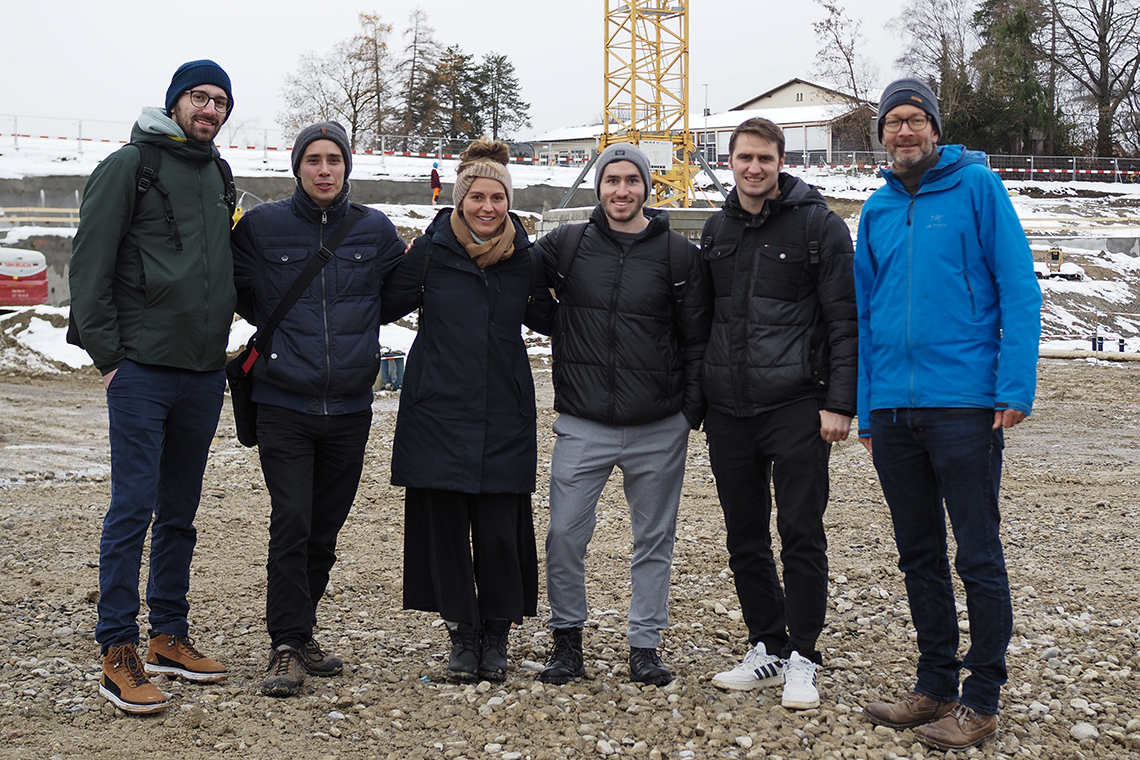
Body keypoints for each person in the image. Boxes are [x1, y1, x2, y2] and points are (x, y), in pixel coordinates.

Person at [856, 79, 1041, 751]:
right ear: (882, 134)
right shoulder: (875, 211)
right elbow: (867, 314)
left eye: (915, 120)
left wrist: (1013, 386)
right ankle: (932, 684)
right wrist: (868, 411)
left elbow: (1019, 287)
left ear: (934, 128)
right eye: (893, 122)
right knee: (918, 555)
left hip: (964, 404)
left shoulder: (978, 189)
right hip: (894, 412)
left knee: (978, 555)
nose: (904, 132)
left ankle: (981, 698)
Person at [68, 59, 237, 714]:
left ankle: (168, 634)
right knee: (133, 507)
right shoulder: (128, 166)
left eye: (221, 101)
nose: (210, 110)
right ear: (175, 102)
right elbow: (90, 264)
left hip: (201, 372)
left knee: (180, 513)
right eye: (200, 97)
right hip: (142, 368)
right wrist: (110, 357)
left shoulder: (218, 174)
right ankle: (117, 649)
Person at [231, 122, 405, 697]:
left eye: (334, 159)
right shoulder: (261, 227)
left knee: (325, 529)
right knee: (293, 520)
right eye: (313, 159)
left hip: (351, 407)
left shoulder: (375, 231)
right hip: (284, 401)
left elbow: (401, 293)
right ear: (297, 167)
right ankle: (284, 644)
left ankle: (302, 631)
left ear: (347, 167)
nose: (324, 169)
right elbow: (234, 291)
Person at [533, 143, 709, 687]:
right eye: (612, 180)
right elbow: (514, 279)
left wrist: (688, 413)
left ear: (646, 187)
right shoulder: (568, 244)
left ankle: (645, 645)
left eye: (632, 180)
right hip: (584, 421)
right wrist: (559, 325)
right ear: (598, 187)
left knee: (653, 538)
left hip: (659, 424)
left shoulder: (678, 254)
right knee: (564, 533)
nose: (622, 190)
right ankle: (567, 641)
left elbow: (697, 337)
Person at [380, 137, 554, 683]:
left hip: (503, 408)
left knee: (502, 528)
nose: (486, 207)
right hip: (438, 409)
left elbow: (557, 320)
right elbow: (383, 303)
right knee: (445, 526)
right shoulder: (432, 254)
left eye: (496, 197)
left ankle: (497, 633)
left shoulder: (524, 260)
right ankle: (461, 632)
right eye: (476, 196)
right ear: (459, 200)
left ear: (508, 201)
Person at [702, 118, 857, 710]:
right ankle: (766, 643)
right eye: (744, 158)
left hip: (796, 405)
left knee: (800, 532)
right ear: (732, 160)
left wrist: (839, 402)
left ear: (781, 161)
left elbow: (844, 320)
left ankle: (804, 657)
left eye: (764, 158)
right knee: (743, 535)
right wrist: (701, 399)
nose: (753, 168)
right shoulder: (717, 229)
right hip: (730, 411)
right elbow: (704, 321)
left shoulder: (819, 226)